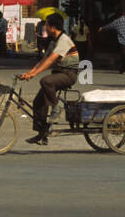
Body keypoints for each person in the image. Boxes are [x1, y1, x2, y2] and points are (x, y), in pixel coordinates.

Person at [18, 13, 79, 145]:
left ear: (53, 27)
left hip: (69, 74)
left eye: (46, 25)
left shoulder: (64, 40)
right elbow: (44, 60)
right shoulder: (54, 41)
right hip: (59, 73)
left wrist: (34, 75)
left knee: (46, 81)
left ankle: (56, 106)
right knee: (38, 102)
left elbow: (51, 60)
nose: (44, 28)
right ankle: (42, 134)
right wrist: (29, 73)